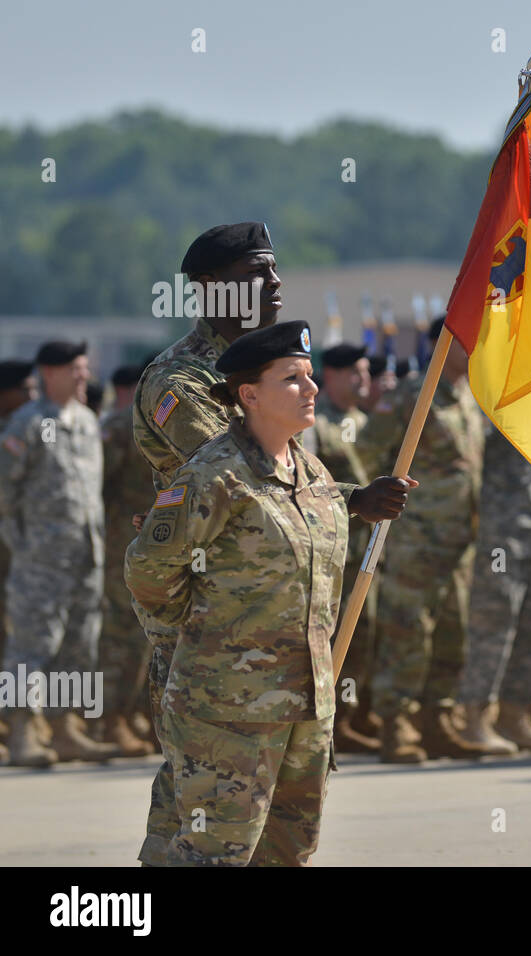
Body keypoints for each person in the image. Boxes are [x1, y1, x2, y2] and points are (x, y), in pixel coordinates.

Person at [124, 321, 415, 865]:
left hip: (306, 703)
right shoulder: (213, 476)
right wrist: (203, 640)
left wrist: (364, 500)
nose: (310, 389)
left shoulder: (309, 468)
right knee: (216, 851)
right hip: (229, 706)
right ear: (250, 395)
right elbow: (149, 569)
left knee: (288, 851)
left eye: (309, 376)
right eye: (292, 379)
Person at [131, 221, 283, 864]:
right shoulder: (181, 380)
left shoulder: (272, 373)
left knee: (244, 780)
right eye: (257, 274)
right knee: (204, 774)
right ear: (212, 290)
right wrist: (346, 496)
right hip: (205, 605)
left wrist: (354, 498)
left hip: (265, 605)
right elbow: (241, 469)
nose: (275, 284)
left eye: (275, 271)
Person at [360, 318, 487, 761]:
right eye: (466, 340)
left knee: (453, 631)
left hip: (458, 540)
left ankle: (437, 719)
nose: (475, 347)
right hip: (416, 539)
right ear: (439, 345)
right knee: (407, 631)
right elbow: (369, 454)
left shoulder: (468, 397)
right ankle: (396, 723)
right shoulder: (412, 396)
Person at [0, 341, 116, 767]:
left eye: (85, 368)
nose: (84, 376)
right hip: (41, 561)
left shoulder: (87, 422)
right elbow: (4, 494)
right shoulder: (27, 425)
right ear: (50, 373)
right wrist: (24, 544)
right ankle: (20, 732)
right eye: (76, 369)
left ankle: (66, 727)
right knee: (30, 645)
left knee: (79, 644)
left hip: (87, 556)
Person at [456, 417, 531, 755]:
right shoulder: (497, 410)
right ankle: (475, 718)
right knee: (493, 628)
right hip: (499, 537)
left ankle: (516, 715)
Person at [313, 343, 382, 754]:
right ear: (332, 375)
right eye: (355, 372)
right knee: (331, 635)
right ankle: (329, 720)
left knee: (363, 634)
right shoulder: (315, 425)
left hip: (368, 550)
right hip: (333, 550)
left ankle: (351, 715)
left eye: (366, 371)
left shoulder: (366, 422)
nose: (364, 379)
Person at [97, 363, 157, 756]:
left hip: (159, 542)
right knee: (122, 633)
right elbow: (99, 485)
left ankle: (137, 712)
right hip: (123, 541)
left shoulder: (165, 423)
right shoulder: (121, 427)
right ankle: (108, 719)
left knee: (151, 636)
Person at [0, 358, 38, 764]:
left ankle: (17, 723)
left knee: (14, 637)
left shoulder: (24, 431)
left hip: (16, 553)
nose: (30, 398)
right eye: (24, 390)